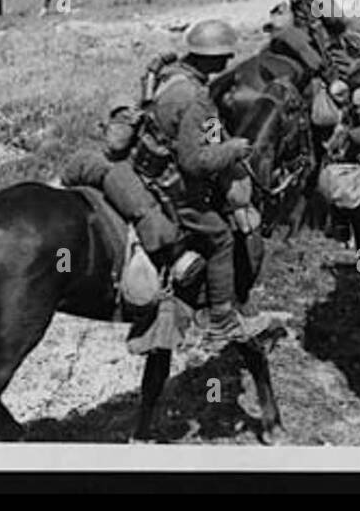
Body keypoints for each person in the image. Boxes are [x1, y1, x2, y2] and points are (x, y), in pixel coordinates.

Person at [91, 19, 271, 349]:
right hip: (170, 184)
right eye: (224, 57)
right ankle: (221, 320)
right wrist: (232, 149)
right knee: (220, 237)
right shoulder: (196, 99)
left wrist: (220, 137)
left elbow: (204, 130)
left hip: (143, 163)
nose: (227, 63)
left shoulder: (170, 75)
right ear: (213, 59)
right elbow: (194, 161)